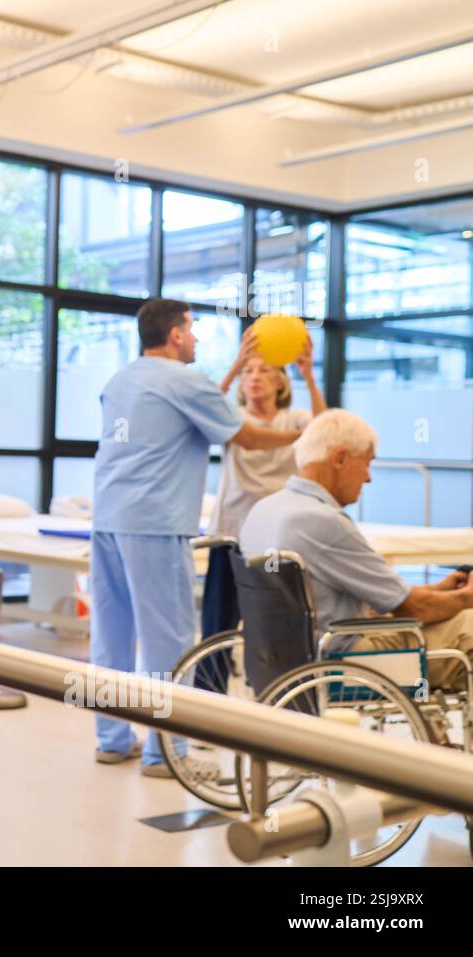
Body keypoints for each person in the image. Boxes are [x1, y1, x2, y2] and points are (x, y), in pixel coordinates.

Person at [90, 299, 299, 777]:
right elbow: (242, 435)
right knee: (168, 639)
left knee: (112, 635)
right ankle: (167, 753)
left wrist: (227, 371)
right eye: (192, 328)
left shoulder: (121, 379)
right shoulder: (185, 380)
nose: (198, 337)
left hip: (108, 519)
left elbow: (202, 410)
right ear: (176, 335)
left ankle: (112, 738)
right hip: (155, 523)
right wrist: (301, 438)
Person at [240, 409, 473, 704]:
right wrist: (466, 598)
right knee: (468, 627)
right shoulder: (323, 520)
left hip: (277, 659)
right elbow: (412, 610)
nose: (369, 478)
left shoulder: (264, 510)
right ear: (339, 459)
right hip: (341, 660)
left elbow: (390, 596)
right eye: (367, 463)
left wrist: (439, 590)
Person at [202, 330, 326, 639]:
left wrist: (309, 377)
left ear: (281, 381)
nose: (254, 377)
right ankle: (207, 685)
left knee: (277, 625)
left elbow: (323, 431)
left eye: (264, 370)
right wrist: (233, 367)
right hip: (231, 531)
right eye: (248, 371)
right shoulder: (233, 417)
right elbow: (205, 409)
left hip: (276, 535)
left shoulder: (294, 417)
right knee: (219, 623)